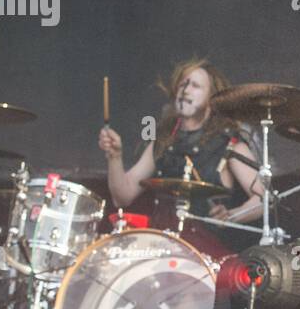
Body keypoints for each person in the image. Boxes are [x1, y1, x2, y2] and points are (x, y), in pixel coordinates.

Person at [97, 59, 264, 235]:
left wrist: (231, 215)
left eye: (195, 86)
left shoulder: (229, 144)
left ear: (212, 98)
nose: (185, 90)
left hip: (208, 250)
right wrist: (115, 156)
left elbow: (264, 199)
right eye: (183, 83)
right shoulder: (163, 141)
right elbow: (122, 197)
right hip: (163, 244)